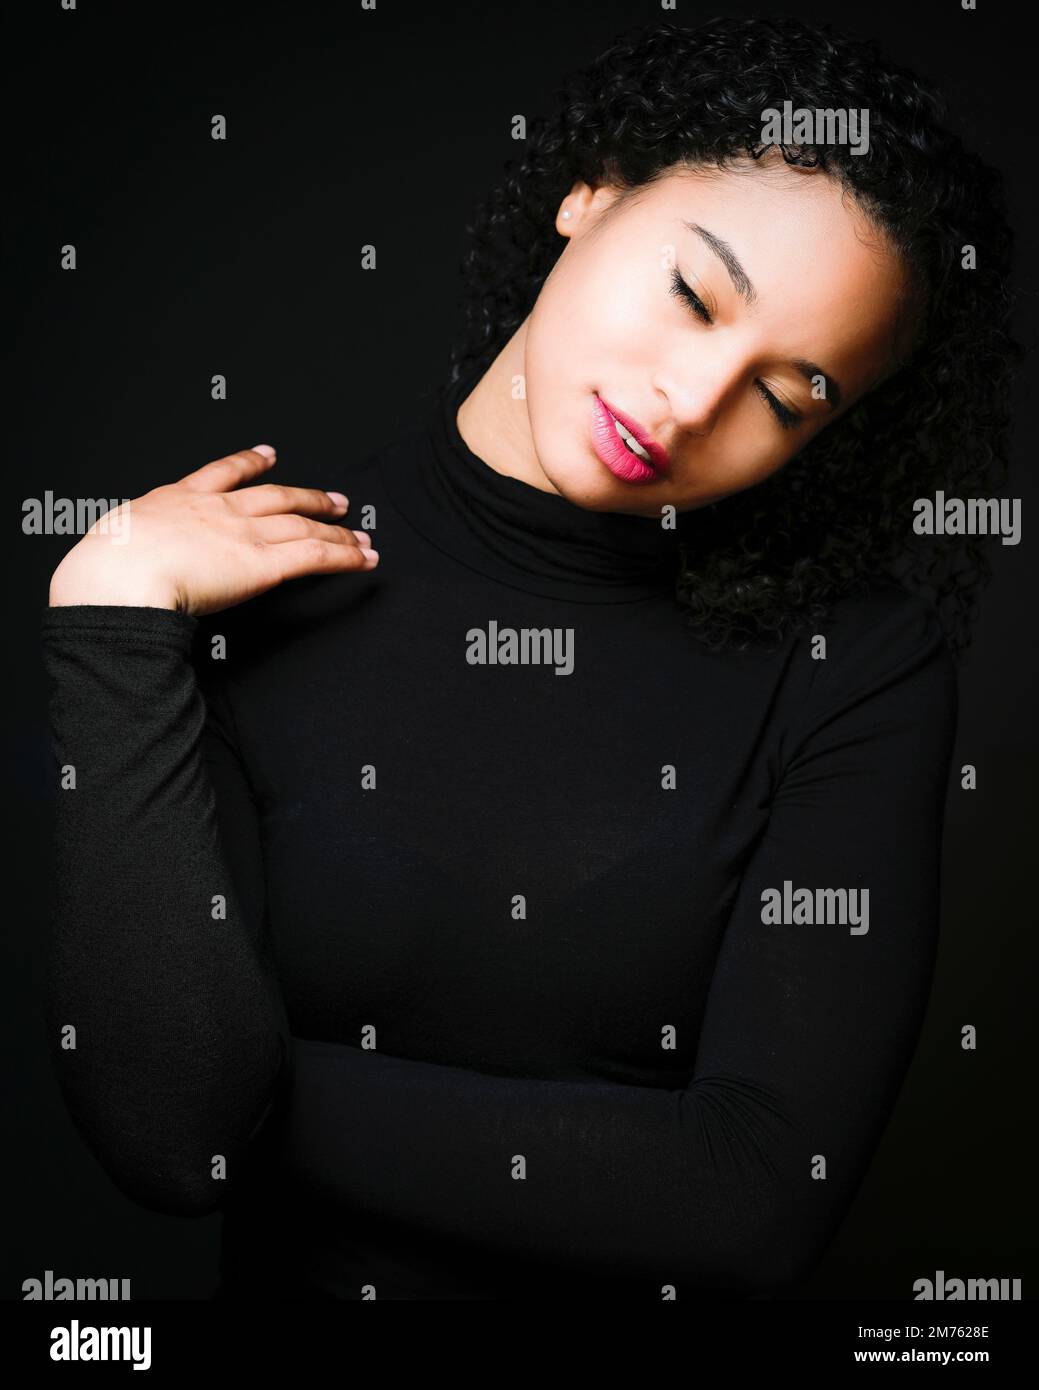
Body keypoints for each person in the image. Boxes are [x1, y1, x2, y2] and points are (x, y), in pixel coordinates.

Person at [40, 16, 1017, 1299]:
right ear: (591, 192)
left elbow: (751, 1202)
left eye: (786, 397)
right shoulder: (241, 587)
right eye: (690, 294)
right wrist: (106, 612)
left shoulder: (856, 664)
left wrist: (252, 1090)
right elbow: (170, 1139)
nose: (687, 401)